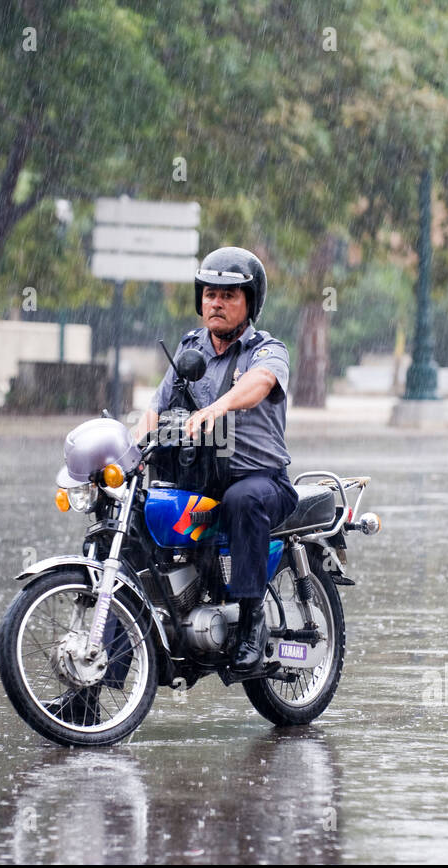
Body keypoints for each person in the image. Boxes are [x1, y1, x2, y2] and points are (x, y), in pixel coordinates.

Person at [132, 247, 298, 673]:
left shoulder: (266, 350)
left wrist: (216, 408)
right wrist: (130, 446)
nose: (216, 303)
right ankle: (96, 684)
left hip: (261, 480)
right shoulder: (190, 349)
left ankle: (251, 622)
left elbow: (260, 384)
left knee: (244, 499)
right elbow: (156, 406)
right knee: (135, 525)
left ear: (249, 302)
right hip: (201, 481)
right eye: (209, 294)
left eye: (228, 295)